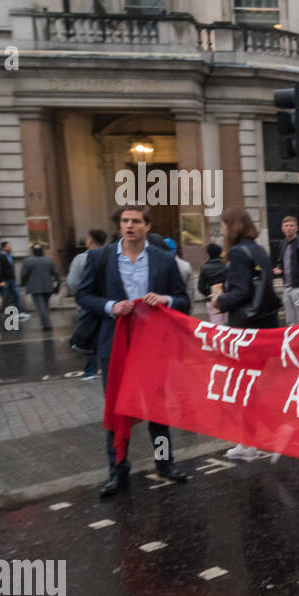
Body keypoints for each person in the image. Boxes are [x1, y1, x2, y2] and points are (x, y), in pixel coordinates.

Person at [76, 205, 192, 498]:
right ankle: (117, 471)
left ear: (147, 226)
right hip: (113, 344)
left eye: (136, 221)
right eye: (125, 221)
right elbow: (83, 295)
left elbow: (183, 300)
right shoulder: (99, 258)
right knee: (117, 408)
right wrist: (110, 306)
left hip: (153, 346)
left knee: (158, 410)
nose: (130, 226)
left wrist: (165, 299)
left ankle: (165, 464)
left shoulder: (165, 261)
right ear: (119, 225)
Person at [214, 208, 278, 463]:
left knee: (245, 388)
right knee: (255, 386)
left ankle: (251, 441)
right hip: (264, 327)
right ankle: (264, 436)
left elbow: (241, 293)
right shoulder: (258, 248)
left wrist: (221, 300)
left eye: (223, 226)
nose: (222, 230)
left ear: (233, 226)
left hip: (246, 330)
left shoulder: (239, 252)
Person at [66, 229, 109, 379]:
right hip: (109, 303)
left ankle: (90, 371)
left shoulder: (81, 258)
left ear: (90, 241)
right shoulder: (112, 255)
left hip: (89, 303)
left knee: (89, 332)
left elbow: (72, 283)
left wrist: (80, 295)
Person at [274, 216, 299, 326]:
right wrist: (279, 268)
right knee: (290, 319)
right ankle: (294, 341)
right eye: (286, 226)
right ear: (282, 228)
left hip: (298, 288)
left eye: (292, 226)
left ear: (296, 228)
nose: (289, 228)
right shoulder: (282, 244)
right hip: (286, 287)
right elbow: (280, 261)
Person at [19, 245, 59, 331]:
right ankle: (44, 322)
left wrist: (22, 283)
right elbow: (56, 274)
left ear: (32, 251)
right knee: (45, 306)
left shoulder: (27, 261)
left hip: (35, 287)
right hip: (48, 286)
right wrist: (58, 285)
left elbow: (23, 275)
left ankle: (46, 325)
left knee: (41, 307)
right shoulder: (49, 260)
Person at [197, 243, 229, 325]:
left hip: (212, 299)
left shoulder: (204, 268)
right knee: (230, 326)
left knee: (216, 325)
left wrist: (209, 294)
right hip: (227, 297)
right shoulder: (226, 266)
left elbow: (201, 287)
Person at [0, 241, 27, 318]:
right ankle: (1, 312)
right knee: (4, 297)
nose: (10, 248)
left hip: (12, 280)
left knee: (17, 295)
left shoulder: (10, 256)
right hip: (5, 280)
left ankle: (18, 312)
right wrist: (1, 280)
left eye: (10, 246)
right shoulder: (0, 256)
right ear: (3, 248)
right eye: (8, 246)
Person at [163, 238, 195, 305]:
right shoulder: (186, 265)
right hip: (181, 306)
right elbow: (190, 291)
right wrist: (189, 308)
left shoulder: (158, 265)